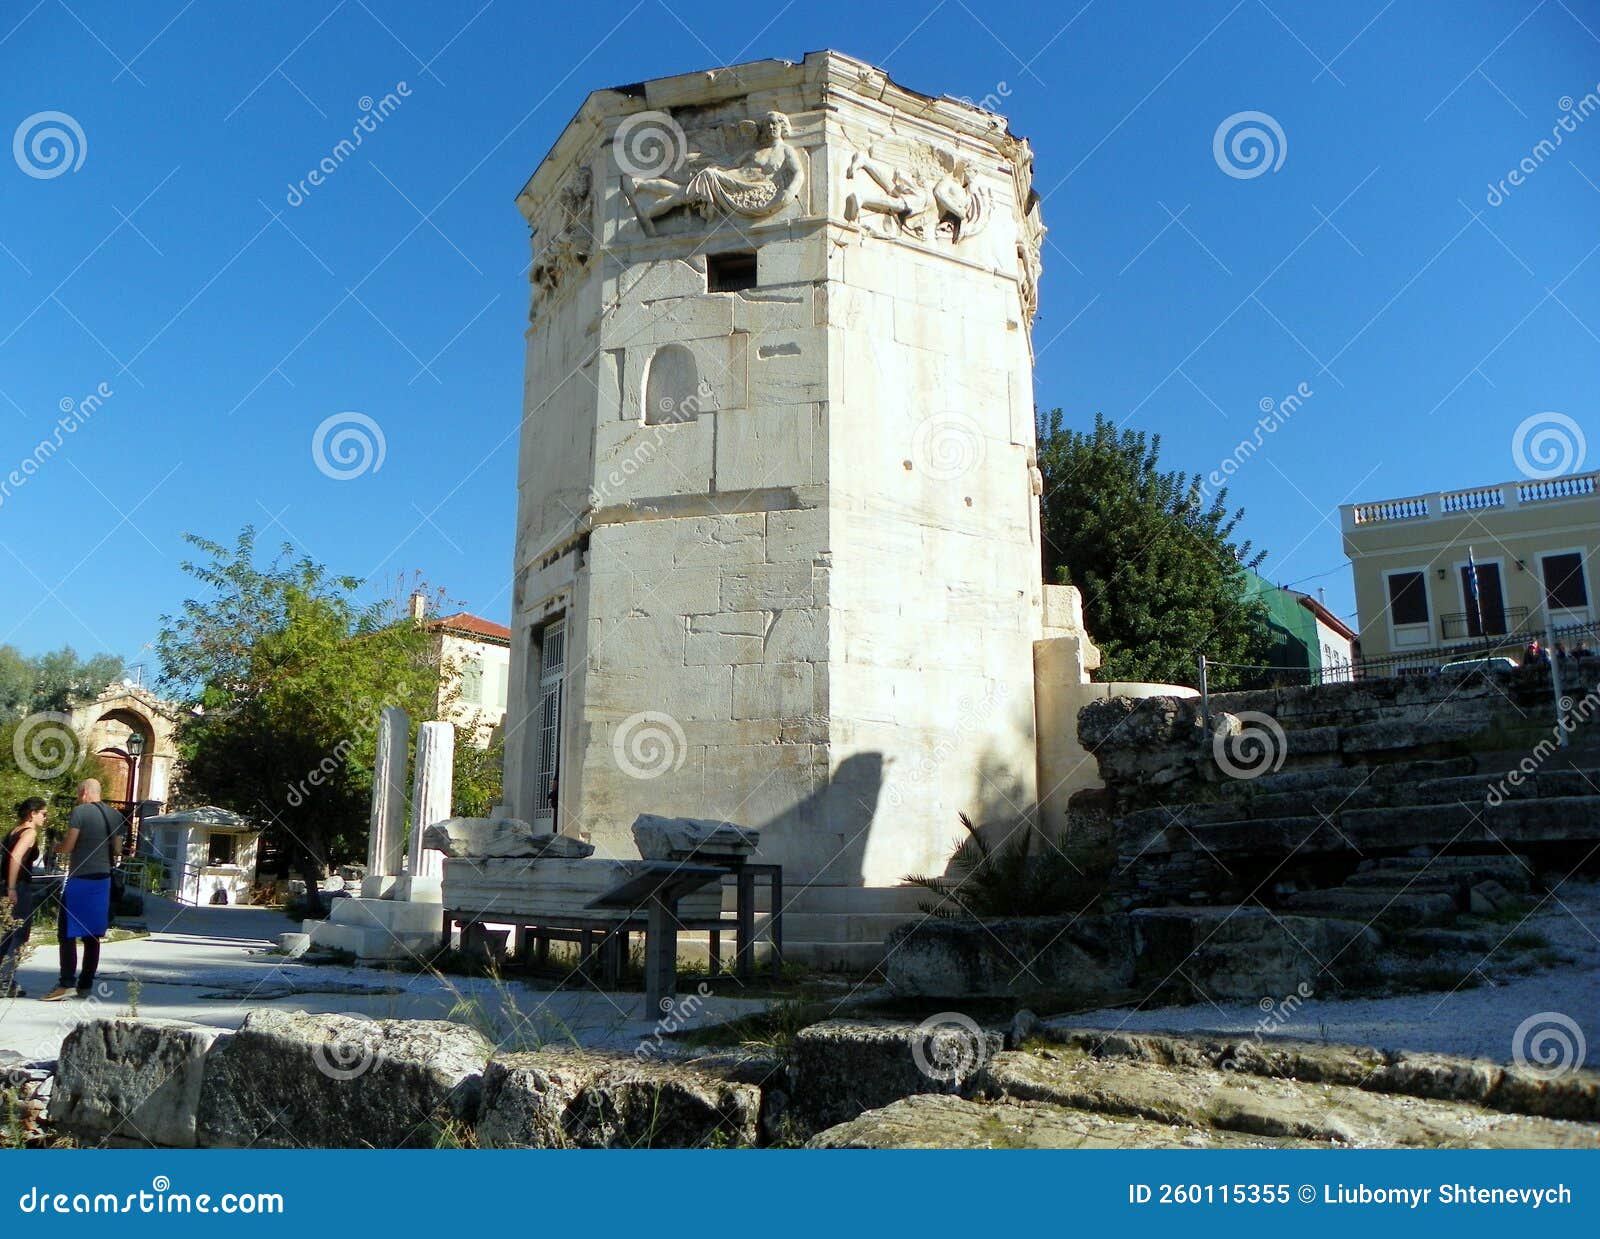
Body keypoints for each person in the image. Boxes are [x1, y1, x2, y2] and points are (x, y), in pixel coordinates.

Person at [42, 779, 123, 1002]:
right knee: (92, 936)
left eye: (79, 793)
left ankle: (66, 983)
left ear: (85, 792)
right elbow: (117, 850)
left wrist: (56, 847)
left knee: (66, 932)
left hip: (81, 879)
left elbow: (69, 845)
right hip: (103, 880)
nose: (78, 797)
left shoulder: (80, 811)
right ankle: (85, 985)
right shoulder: (115, 815)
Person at [0, 798, 46, 998]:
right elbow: (15, 857)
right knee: (18, 933)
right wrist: (12, 887)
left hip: (4, 885)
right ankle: (5, 981)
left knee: (5, 933)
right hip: (18, 886)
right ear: (32, 813)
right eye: (43, 814)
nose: (46, 818)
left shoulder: (14, 830)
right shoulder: (29, 833)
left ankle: (4, 979)